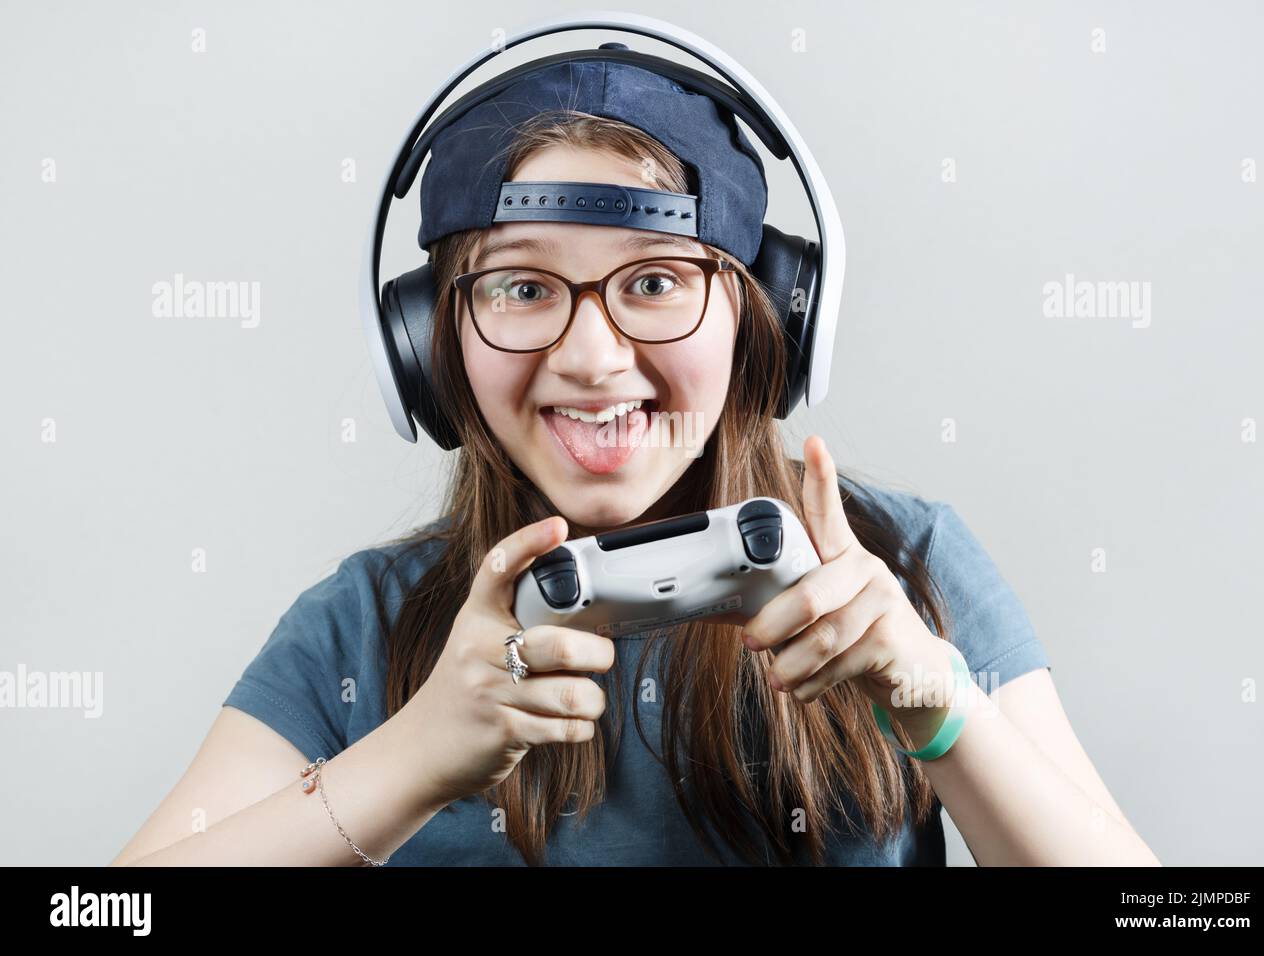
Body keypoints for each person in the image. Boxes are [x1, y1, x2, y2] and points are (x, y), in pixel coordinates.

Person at [110, 68, 1159, 867]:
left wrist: (941, 709)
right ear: (433, 338)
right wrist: (403, 762)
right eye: (521, 289)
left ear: (765, 321)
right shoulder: (363, 624)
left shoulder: (904, 565)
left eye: (654, 280)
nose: (591, 355)